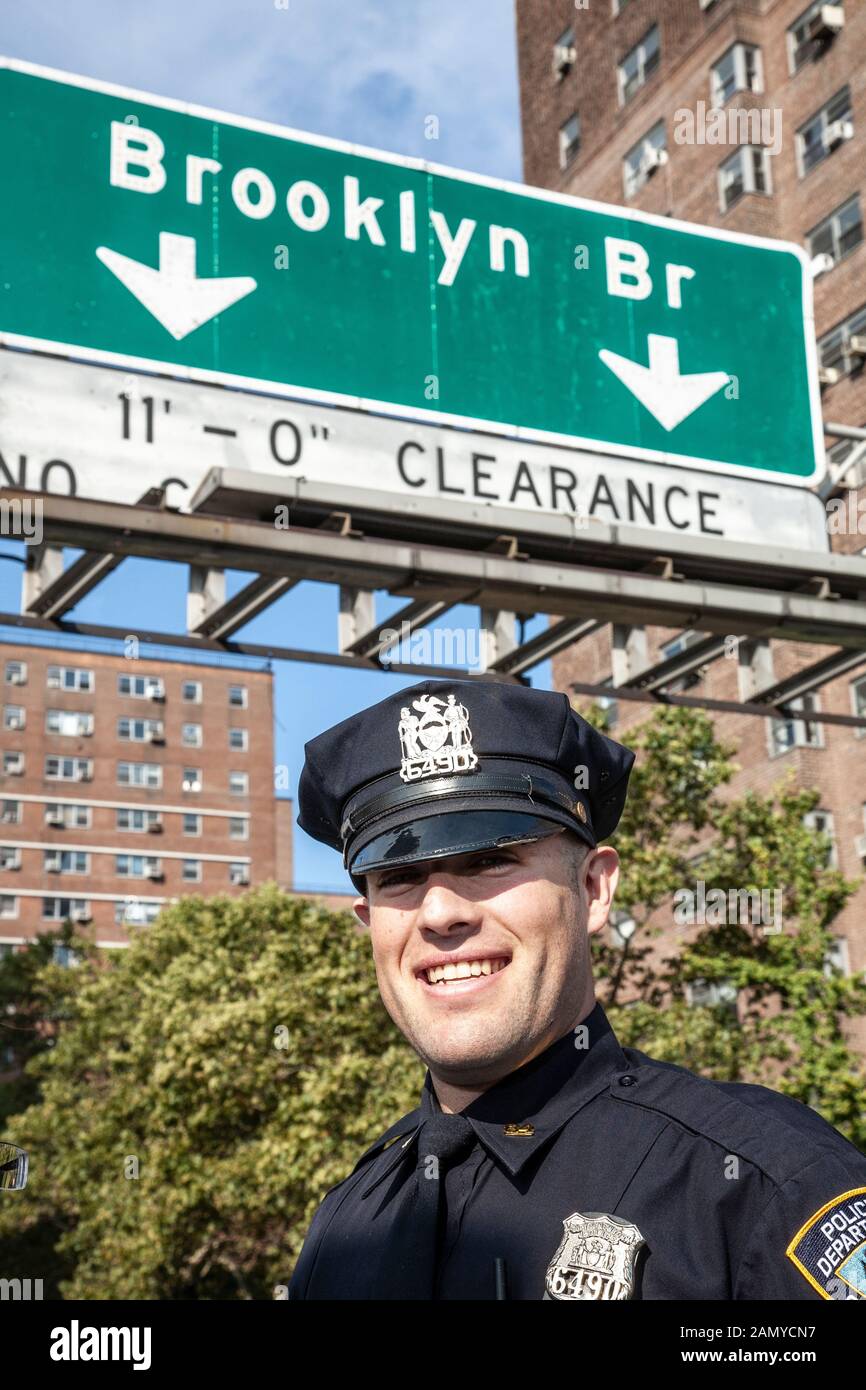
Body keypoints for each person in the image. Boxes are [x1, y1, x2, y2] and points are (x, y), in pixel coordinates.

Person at [289, 678, 866, 1301]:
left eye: (489, 860)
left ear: (594, 890)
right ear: (370, 922)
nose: (438, 913)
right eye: (398, 877)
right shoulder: (348, 1217)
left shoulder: (760, 1186)